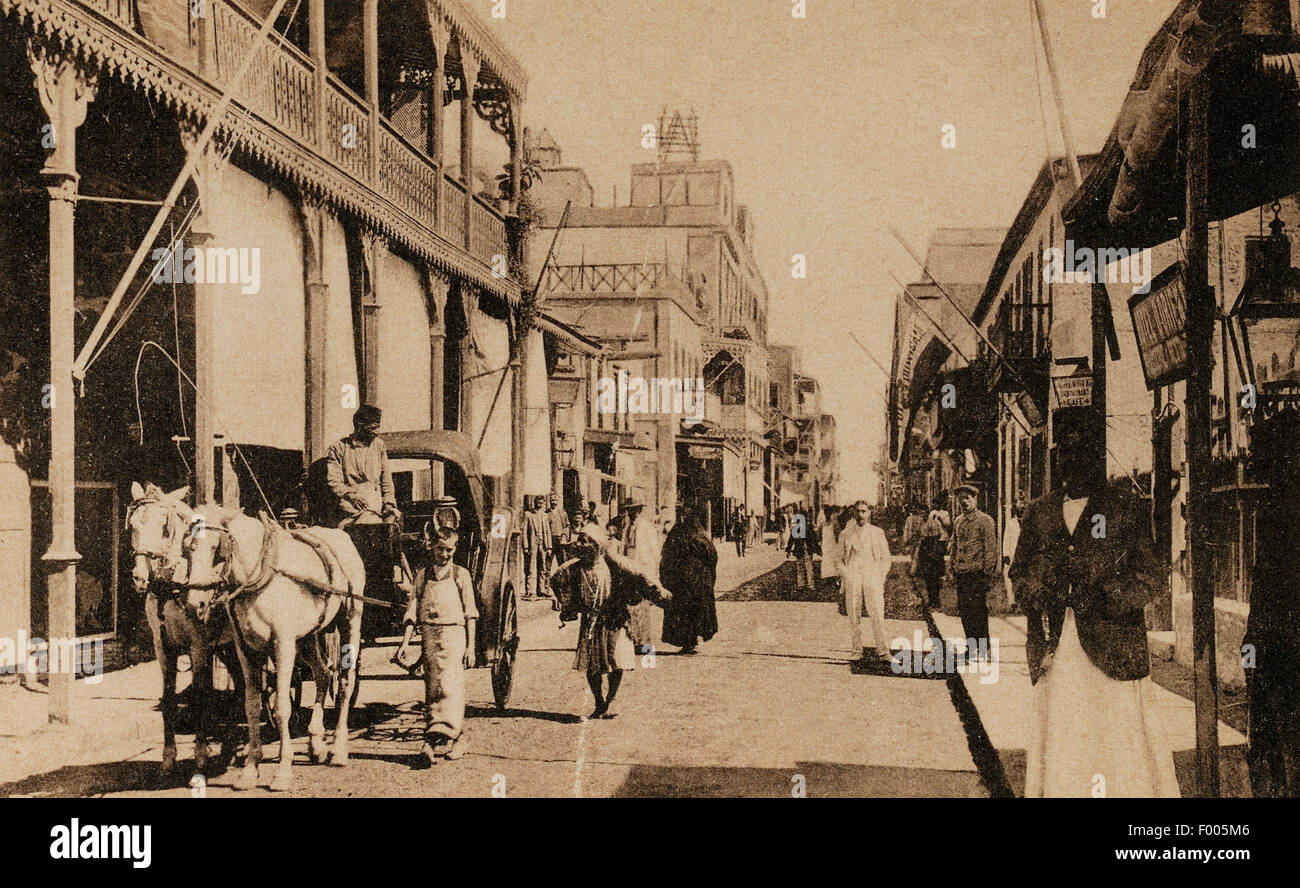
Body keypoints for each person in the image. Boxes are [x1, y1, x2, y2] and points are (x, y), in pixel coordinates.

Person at [1011, 419, 1176, 797]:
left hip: (1113, 646)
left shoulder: (1123, 508)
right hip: (1057, 648)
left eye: (1082, 457)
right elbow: (1018, 572)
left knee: (1116, 739)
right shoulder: (1039, 512)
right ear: (1059, 462)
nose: (1073, 467)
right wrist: (1038, 591)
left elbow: (1150, 575)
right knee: (1063, 735)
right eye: (1065, 457)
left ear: (1095, 461)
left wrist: (1110, 596)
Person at [565, 523, 668, 718]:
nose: (579, 544)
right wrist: (568, 608)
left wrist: (658, 590)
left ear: (596, 545)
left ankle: (612, 698)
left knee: (616, 660)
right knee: (592, 665)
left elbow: (640, 574)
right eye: (579, 539)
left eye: (583, 541)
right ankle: (598, 701)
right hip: (591, 621)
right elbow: (566, 589)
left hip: (614, 617)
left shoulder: (614, 564)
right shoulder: (576, 568)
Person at [397, 526, 477, 765]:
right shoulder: (422, 576)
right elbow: (412, 610)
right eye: (441, 549)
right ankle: (431, 740)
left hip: (454, 634)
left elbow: (470, 613)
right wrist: (405, 643)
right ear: (432, 548)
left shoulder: (460, 574)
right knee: (433, 688)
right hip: (429, 636)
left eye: (449, 550)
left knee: (451, 686)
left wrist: (471, 647)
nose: (445, 554)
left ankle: (457, 739)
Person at [324, 404, 399, 529]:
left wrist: (389, 503)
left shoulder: (378, 445)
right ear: (359, 426)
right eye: (372, 428)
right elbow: (334, 481)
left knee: (391, 524)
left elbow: (386, 480)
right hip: (350, 507)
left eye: (377, 428)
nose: (376, 432)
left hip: (376, 506)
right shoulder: (338, 448)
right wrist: (352, 495)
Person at [838, 500, 892, 665]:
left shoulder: (877, 533)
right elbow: (838, 559)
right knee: (854, 613)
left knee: (876, 612)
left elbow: (886, 559)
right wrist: (846, 574)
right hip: (853, 574)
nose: (860, 515)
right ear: (853, 513)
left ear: (869, 513)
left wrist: (879, 577)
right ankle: (856, 650)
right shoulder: (846, 534)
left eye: (863, 511)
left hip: (871, 575)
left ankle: (883, 651)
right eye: (858, 511)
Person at [660, 506, 718, 654]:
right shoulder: (693, 534)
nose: (681, 519)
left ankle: (690, 641)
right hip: (686, 582)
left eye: (683, 516)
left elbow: (711, 556)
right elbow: (666, 556)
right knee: (687, 611)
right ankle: (689, 642)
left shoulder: (692, 535)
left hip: (691, 582)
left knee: (690, 611)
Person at [949, 483, 998, 659]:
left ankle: (985, 649)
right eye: (961, 498)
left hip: (977, 573)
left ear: (975, 498)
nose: (964, 501)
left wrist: (987, 573)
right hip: (962, 572)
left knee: (978, 610)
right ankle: (971, 647)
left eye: (967, 498)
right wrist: (952, 568)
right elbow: (954, 546)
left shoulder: (985, 520)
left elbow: (991, 548)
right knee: (964, 610)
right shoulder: (958, 521)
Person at [618, 498, 661, 654]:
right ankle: (634, 639)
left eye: (634, 510)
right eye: (629, 510)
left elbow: (655, 551)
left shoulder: (647, 527)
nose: (631, 513)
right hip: (629, 570)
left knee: (643, 606)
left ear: (639, 511)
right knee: (631, 606)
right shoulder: (627, 527)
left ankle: (645, 642)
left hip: (643, 569)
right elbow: (623, 549)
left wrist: (653, 573)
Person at [912, 508, 948, 611]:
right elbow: (920, 537)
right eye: (920, 513)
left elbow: (936, 539)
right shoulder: (921, 524)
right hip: (925, 552)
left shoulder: (933, 523)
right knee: (927, 578)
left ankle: (935, 602)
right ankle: (931, 600)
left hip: (933, 553)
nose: (922, 515)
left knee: (934, 579)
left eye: (924, 513)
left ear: (927, 513)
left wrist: (933, 553)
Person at [523, 495, 553, 601]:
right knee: (530, 567)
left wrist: (549, 547)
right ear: (534, 502)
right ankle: (530, 591)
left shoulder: (545, 515)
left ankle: (541, 590)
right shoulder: (528, 514)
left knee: (543, 567)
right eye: (538, 503)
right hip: (532, 544)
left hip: (543, 545)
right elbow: (524, 532)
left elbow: (548, 531)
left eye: (541, 503)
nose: (539, 505)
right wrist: (526, 546)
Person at [787, 505, 819, 590]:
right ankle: (809, 585)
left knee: (801, 568)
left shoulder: (797, 528)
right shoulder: (808, 528)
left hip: (800, 550)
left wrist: (788, 550)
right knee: (808, 568)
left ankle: (801, 584)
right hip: (806, 550)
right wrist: (818, 549)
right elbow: (814, 540)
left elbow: (791, 539)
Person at [1002, 503, 1023, 612]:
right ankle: (1012, 603)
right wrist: (1005, 554)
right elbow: (1006, 539)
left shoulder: (1028, 522)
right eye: (1019, 509)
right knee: (1009, 578)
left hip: (1022, 556)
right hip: (1011, 554)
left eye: (1023, 508)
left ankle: (1021, 603)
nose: (1021, 511)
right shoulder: (1011, 523)